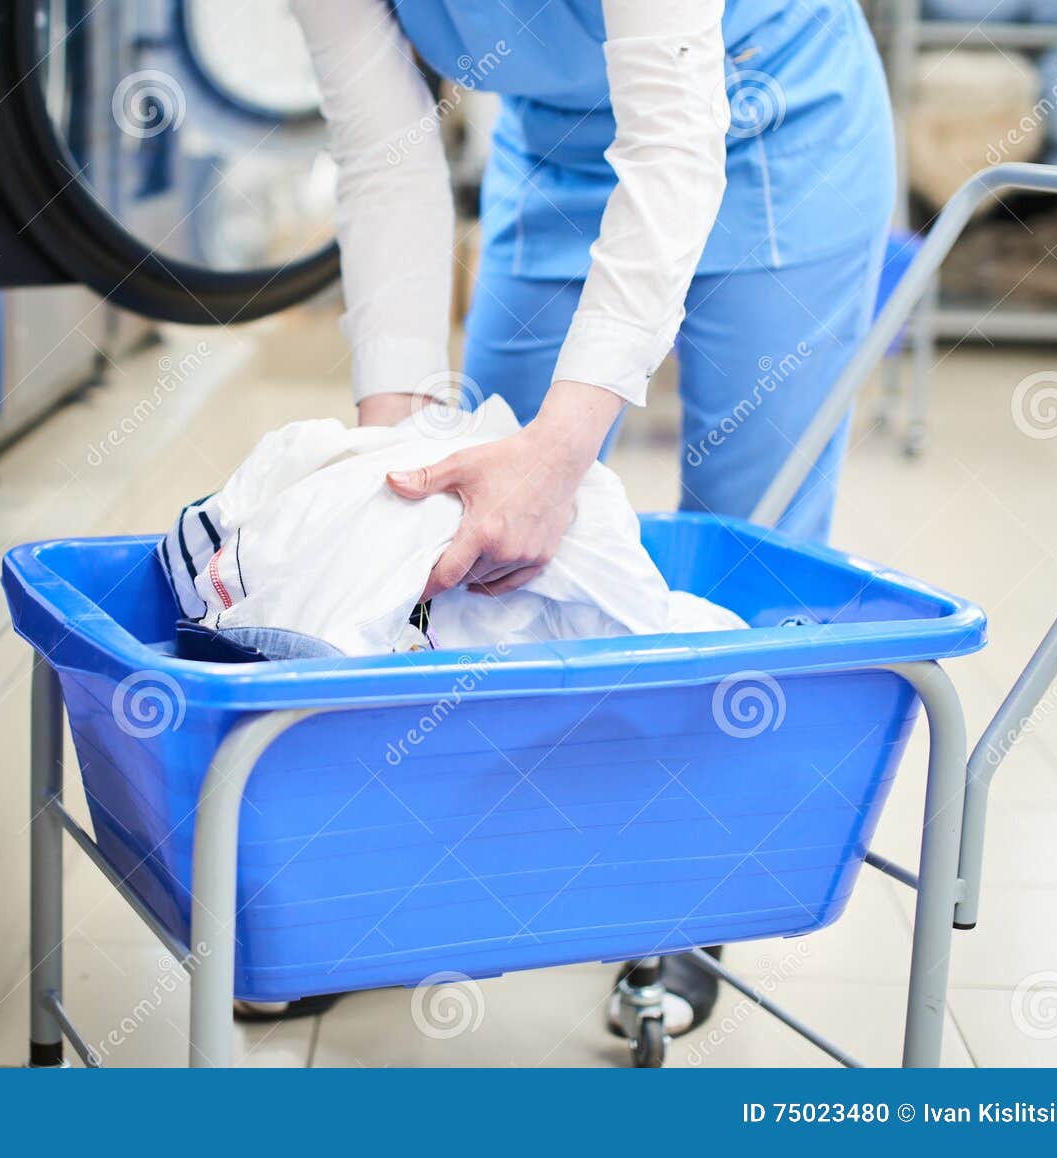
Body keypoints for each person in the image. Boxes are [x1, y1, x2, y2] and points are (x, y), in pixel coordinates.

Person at [233, 0, 895, 1036]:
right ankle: (405, 895)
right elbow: (384, 151)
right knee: (473, 554)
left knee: (747, 542)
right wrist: (392, 458)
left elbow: (674, 139)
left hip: (774, 126)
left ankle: (688, 904)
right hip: (555, 156)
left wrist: (558, 454)